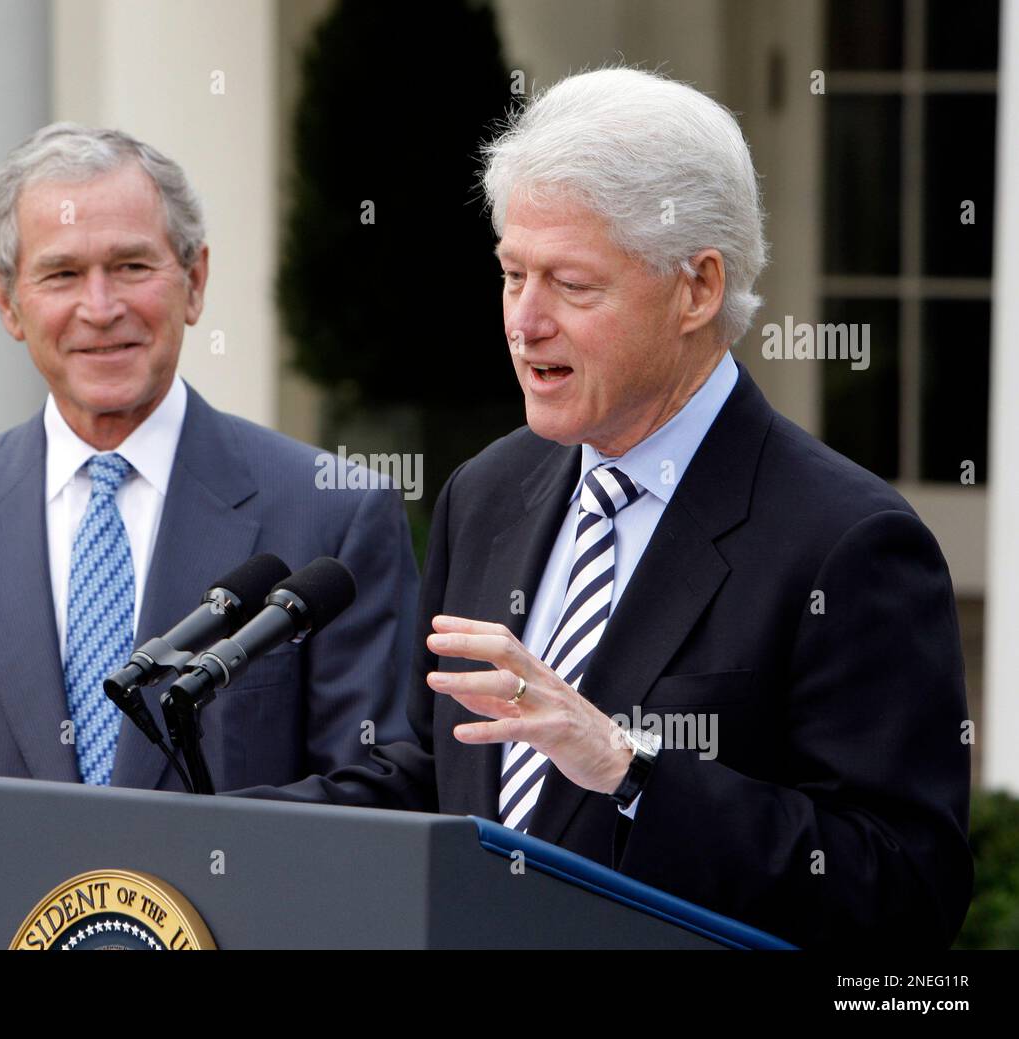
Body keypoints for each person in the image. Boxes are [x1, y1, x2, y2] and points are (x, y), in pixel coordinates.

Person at [230, 68, 973, 948]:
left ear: (697, 288)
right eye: (512, 275)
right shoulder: (489, 491)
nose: (524, 321)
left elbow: (901, 892)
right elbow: (450, 776)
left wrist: (629, 769)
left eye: (572, 286)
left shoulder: (849, 541)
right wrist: (228, 832)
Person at [0, 124, 419, 949]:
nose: (100, 308)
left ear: (195, 279)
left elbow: (385, 797)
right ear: (7, 301)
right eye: (62, 273)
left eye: (133, 266)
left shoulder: (334, 513)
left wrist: (171, 857)